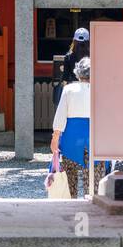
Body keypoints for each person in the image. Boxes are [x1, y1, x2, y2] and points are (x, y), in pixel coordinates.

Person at [47, 56, 93, 197]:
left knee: (69, 177)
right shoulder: (100, 90)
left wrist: (55, 138)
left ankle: (71, 200)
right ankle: (91, 198)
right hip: (93, 135)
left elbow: (61, 115)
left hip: (71, 137)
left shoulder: (69, 89)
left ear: (77, 73)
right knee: (92, 175)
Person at [55, 27, 91, 107]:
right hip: (90, 90)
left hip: (73, 91)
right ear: (88, 42)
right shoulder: (93, 55)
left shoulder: (68, 56)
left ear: (74, 41)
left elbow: (65, 78)